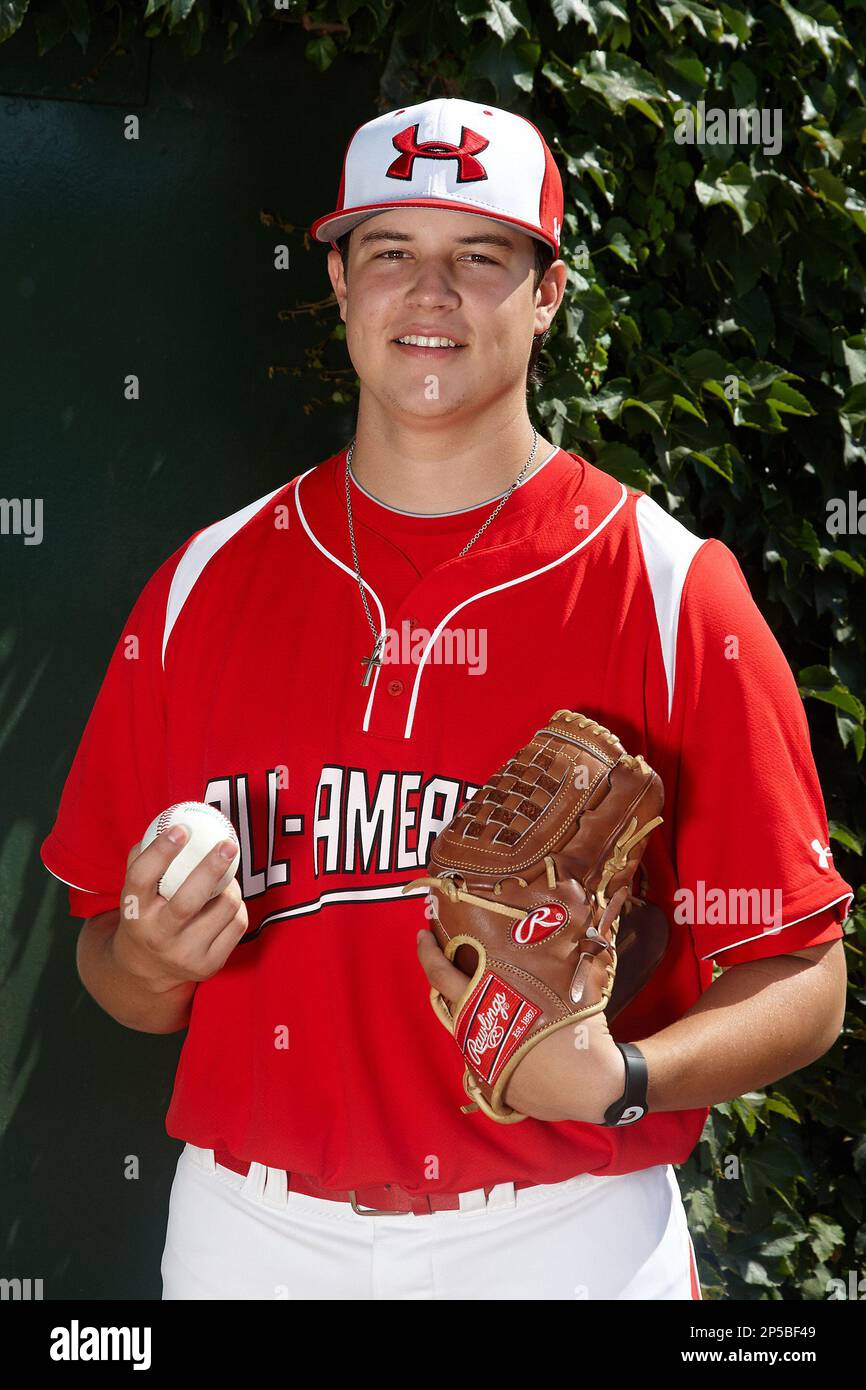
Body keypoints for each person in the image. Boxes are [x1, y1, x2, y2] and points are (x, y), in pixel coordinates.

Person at [41, 97, 853, 1301]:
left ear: (548, 294)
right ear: (337, 282)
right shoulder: (205, 582)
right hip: (249, 1234)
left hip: (555, 1231)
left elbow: (804, 979)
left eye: (478, 254)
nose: (429, 294)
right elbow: (110, 966)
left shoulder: (671, 587)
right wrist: (151, 958)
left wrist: (618, 1076)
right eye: (388, 252)